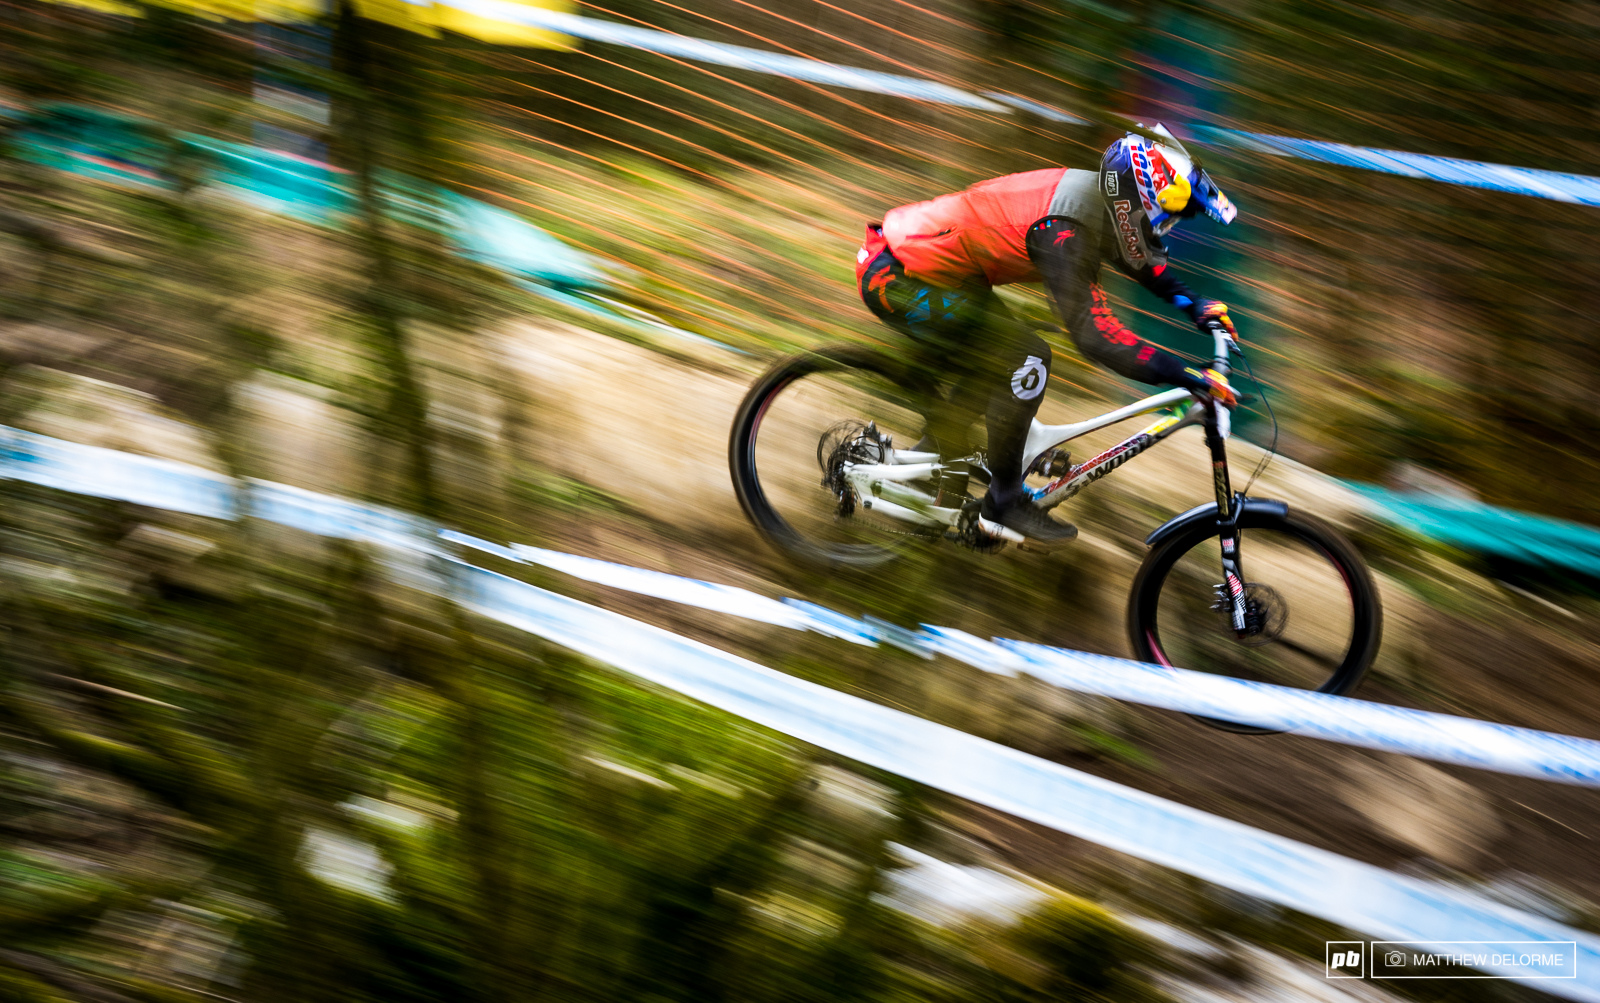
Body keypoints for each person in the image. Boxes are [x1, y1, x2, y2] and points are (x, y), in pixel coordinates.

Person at [854, 125, 1240, 547]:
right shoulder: (1065, 233)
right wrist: (1187, 375)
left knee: (1007, 353)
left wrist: (1195, 304)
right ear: (1138, 196)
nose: (1166, 227)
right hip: (898, 277)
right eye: (1167, 214)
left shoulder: (1098, 203)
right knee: (1026, 357)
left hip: (938, 275)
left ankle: (939, 463)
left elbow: (1138, 262)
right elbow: (1097, 338)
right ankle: (1002, 502)